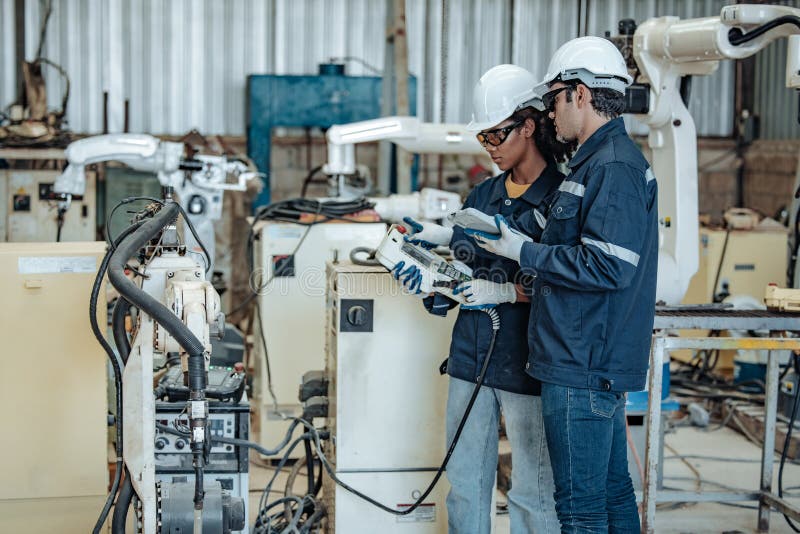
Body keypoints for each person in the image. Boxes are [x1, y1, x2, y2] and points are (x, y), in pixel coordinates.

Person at [468, 37, 658, 533]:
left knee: (578, 509)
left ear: (579, 93)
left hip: (582, 362)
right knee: (613, 495)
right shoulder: (594, 163)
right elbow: (576, 240)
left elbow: (608, 266)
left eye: (553, 99)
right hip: (585, 359)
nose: (550, 113)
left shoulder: (612, 167)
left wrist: (523, 252)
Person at [393, 64, 574, 534]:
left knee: (533, 491)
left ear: (528, 125)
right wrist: (431, 279)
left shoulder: (561, 199)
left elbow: (567, 281)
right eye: (484, 140)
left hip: (528, 365)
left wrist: (507, 292)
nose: (490, 149)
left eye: (496, 136)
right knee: (466, 482)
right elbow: (464, 266)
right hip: (471, 360)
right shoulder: (485, 194)